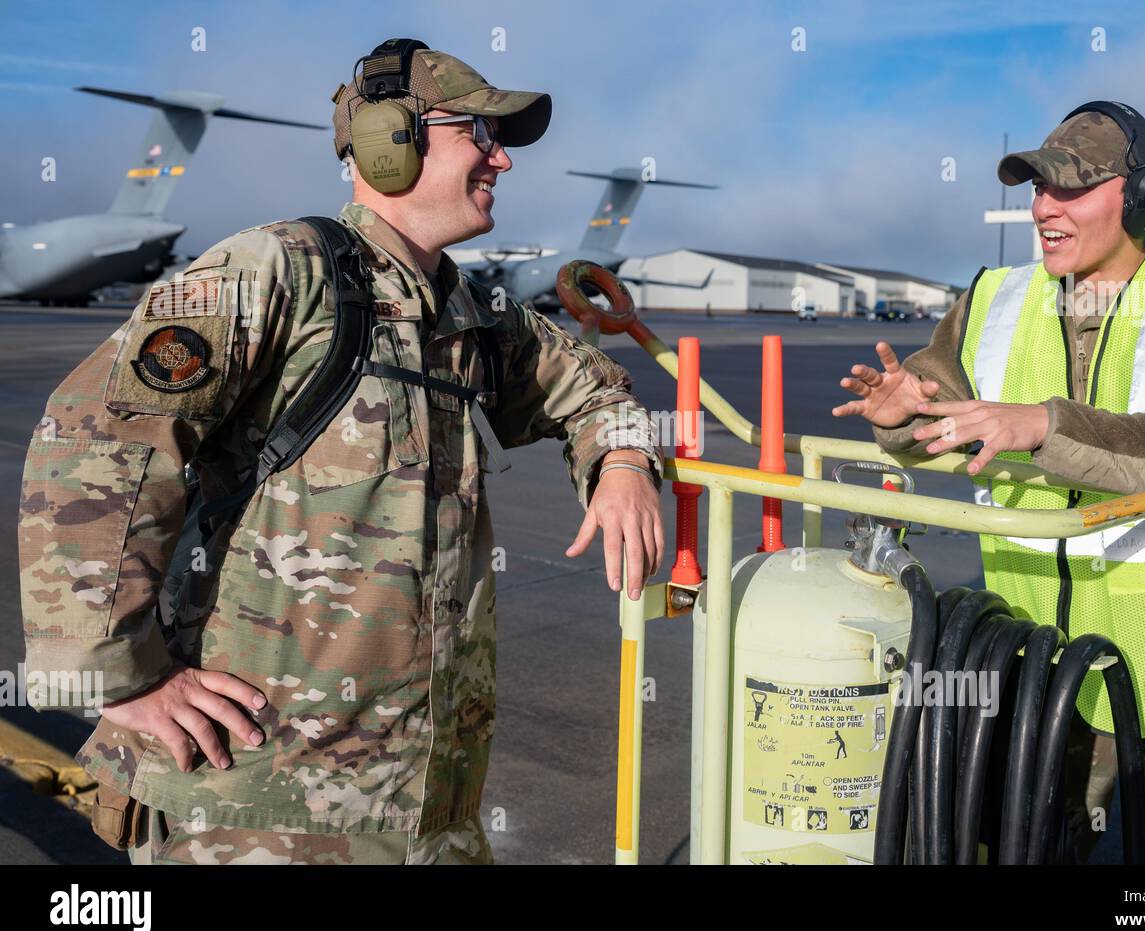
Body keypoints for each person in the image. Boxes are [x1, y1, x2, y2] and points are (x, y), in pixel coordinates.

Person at [18, 39, 665, 865]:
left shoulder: (466, 309)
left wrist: (623, 467)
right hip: (260, 808)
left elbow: (594, 388)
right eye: (480, 133)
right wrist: (120, 678)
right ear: (393, 139)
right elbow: (94, 440)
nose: (501, 158)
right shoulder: (276, 271)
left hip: (430, 810)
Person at [832, 103, 1145, 864]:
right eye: (1038, 189)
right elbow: (935, 408)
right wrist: (899, 415)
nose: (1044, 208)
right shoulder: (994, 301)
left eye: (1071, 189)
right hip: (1033, 667)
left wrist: (1043, 425)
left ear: (1142, 200)